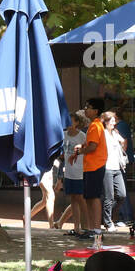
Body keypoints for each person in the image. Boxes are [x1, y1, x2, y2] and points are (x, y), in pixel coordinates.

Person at [69, 98, 107, 240]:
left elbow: (93, 147)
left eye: (88, 107)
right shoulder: (94, 125)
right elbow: (89, 145)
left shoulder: (95, 126)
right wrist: (80, 149)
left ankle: (97, 231)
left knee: (94, 198)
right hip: (91, 166)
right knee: (90, 198)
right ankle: (93, 229)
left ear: (96, 111)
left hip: (95, 166)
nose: (85, 109)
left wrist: (79, 152)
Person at [55, 111, 88, 235]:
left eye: (72, 121)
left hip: (79, 171)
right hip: (69, 172)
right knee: (73, 199)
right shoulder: (63, 135)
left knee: (80, 198)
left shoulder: (82, 136)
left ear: (77, 123)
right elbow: (62, 154)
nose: (69, 124)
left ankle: (86, 226)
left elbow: (87, 151)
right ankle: (77, 227)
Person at [101, 110, 128, 230]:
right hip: (106, 168)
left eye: (114, 120)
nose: (114, 122)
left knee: (122, 195)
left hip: (117, 168)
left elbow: (124, 141)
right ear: (105, 122)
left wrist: (122, 145)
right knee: (109, 197)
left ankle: (107, 216)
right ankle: (108, 222)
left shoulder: (115, 133)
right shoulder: (103, 133)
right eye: (111, 120)